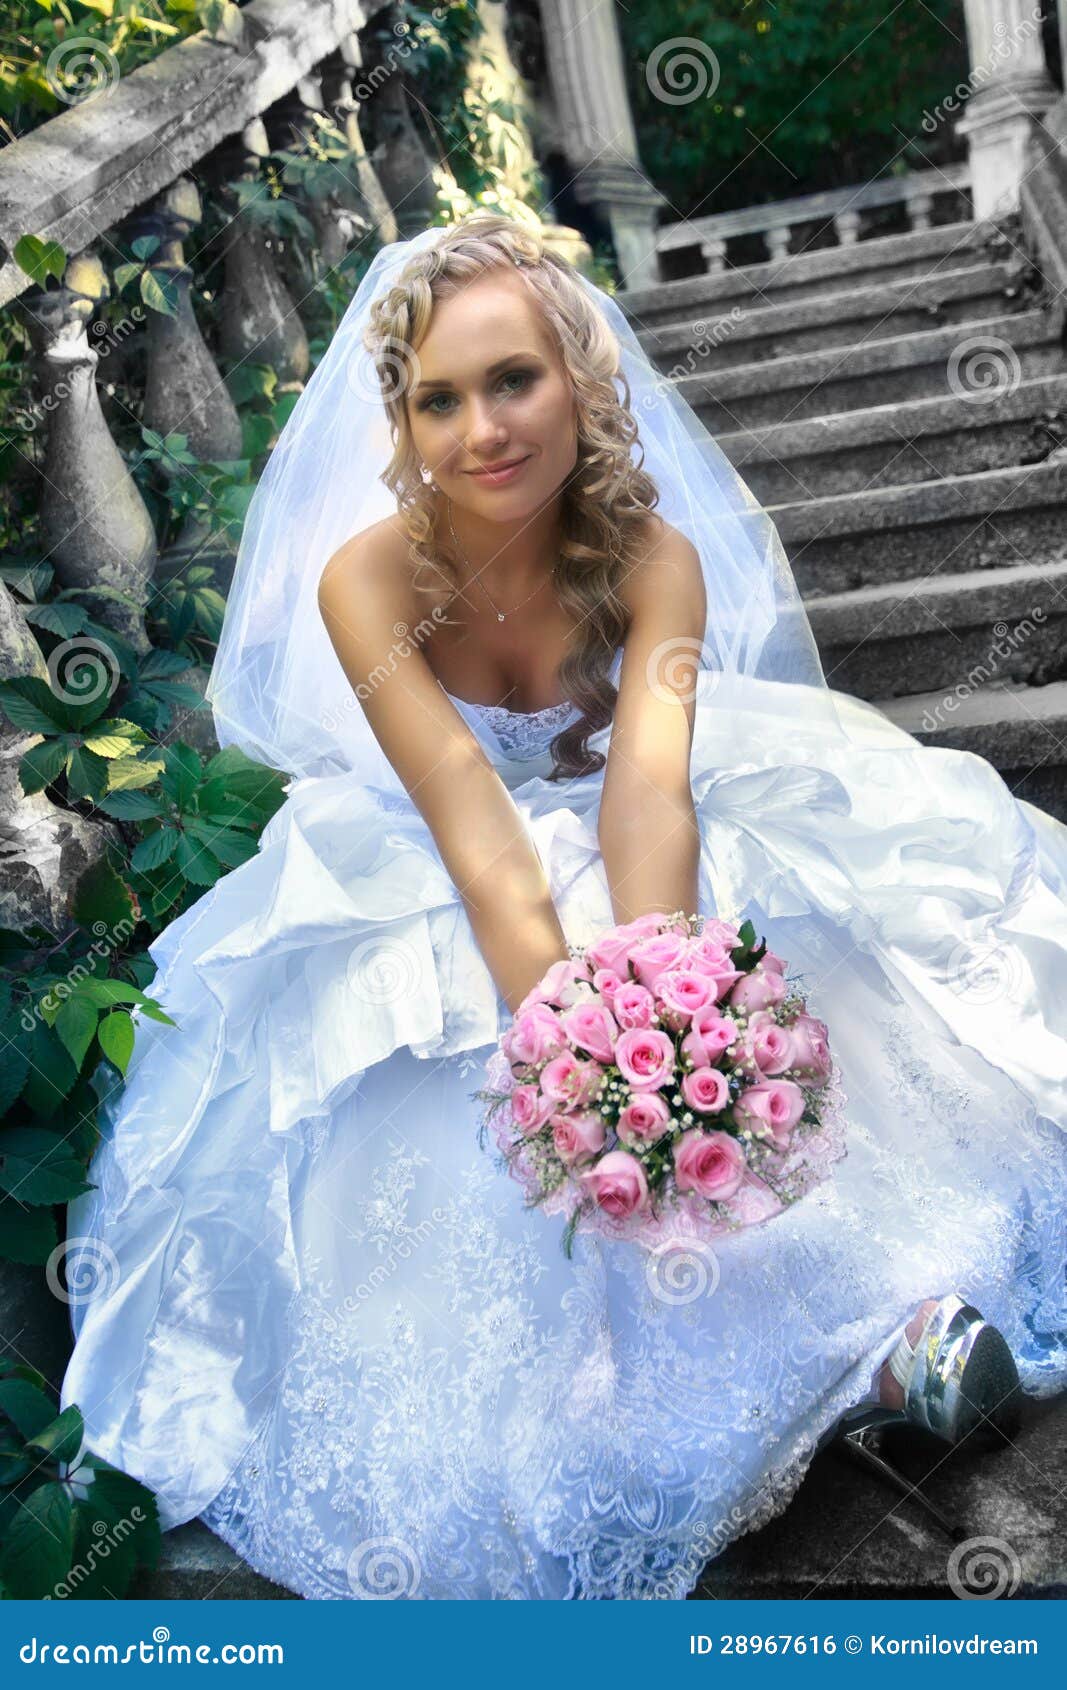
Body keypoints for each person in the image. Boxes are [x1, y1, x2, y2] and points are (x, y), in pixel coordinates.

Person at [61, 213, 1067, 1602]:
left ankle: (856, 1323)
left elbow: (648, 795)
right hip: (451, 860)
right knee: (454, 1069)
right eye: (440, 398)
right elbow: (473, 821)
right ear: (402, 421)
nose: (482, 427)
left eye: (514, 379)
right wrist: (578, 1056)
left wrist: (675, 1003)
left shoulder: (655, 555)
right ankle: (804, 1365)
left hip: (634, 825)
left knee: (765, 930)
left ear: (579, 381)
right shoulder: (367, 581)